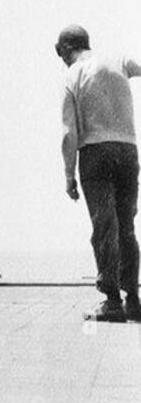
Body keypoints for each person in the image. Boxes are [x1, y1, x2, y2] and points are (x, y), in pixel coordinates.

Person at [56, 25, 141, 322]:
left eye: (60, 53)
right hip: (129, 151)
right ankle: (133, 299)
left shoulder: (72, 74)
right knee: (127, 226)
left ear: (66, 48)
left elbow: (69, 133)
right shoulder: (117, 58)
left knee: (105, 226)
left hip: (96, 154)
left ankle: (112, 301)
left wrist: (69, 175)